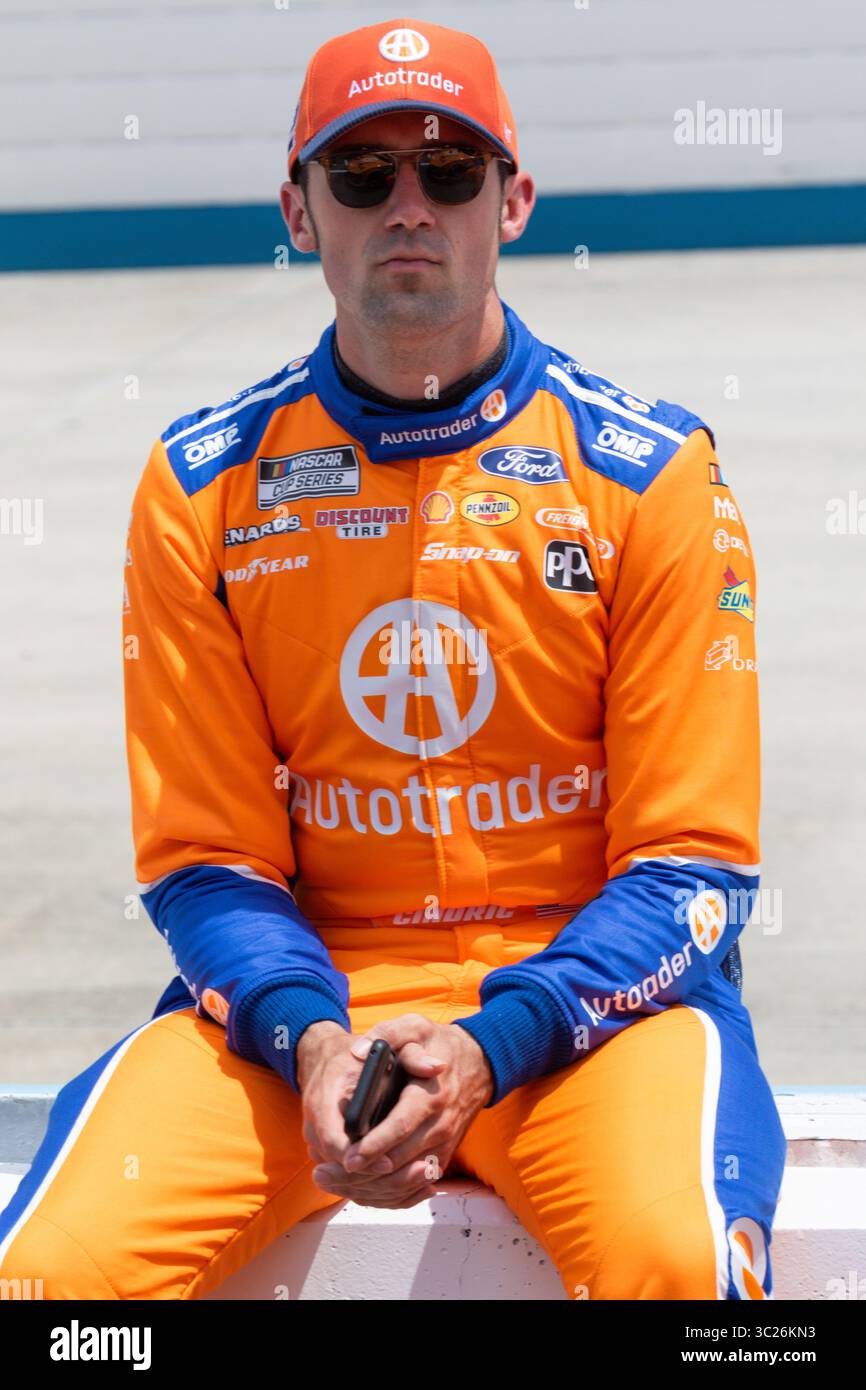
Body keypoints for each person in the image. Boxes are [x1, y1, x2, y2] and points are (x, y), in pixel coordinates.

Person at [0, 17, 787, 1301]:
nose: (407, 208)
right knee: (47, 1290)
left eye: (449, 172)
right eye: (361, 177)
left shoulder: (651, 476)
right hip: (305, 1026)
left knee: (685, 1272)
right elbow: (206, 864)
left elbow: (692, 873)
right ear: (300, 213)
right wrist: (311, 1042)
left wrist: (490, 1044)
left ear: (513, 201)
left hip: (591, 1018)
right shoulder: (202, 489)